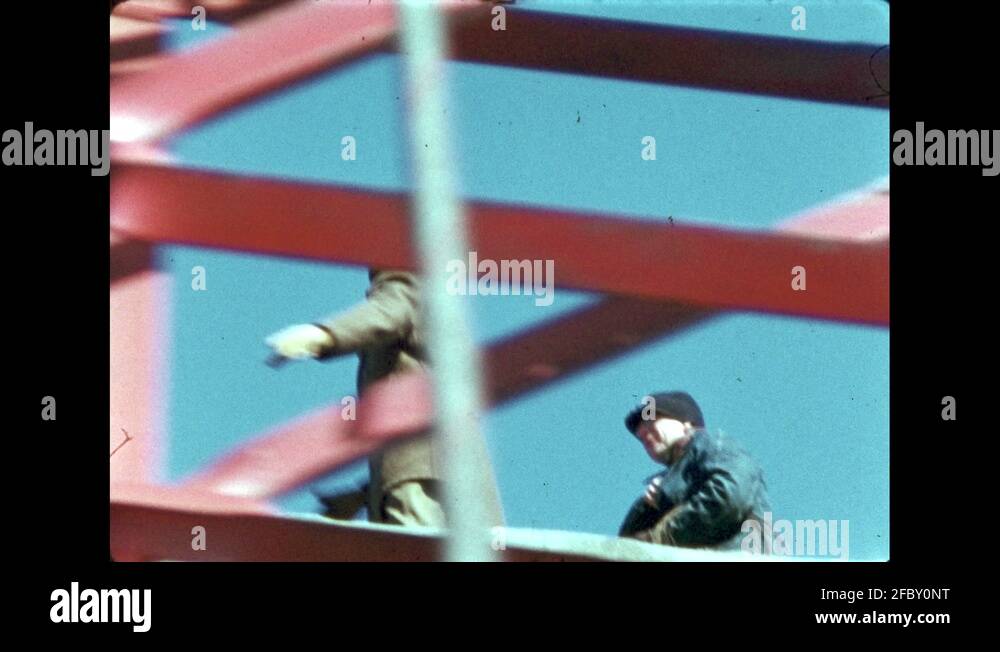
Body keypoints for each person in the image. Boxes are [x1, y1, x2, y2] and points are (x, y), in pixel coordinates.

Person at [265, 268, 503, 528]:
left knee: (415, 549)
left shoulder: (408, 280)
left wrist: (322, 335)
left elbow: (391, 311)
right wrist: (364, 496)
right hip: (441, 474)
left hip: (424, 472)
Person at [618, 391, 772, 552]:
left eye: (651, 420)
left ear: (687, 423)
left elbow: (729, 495)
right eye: (640, 434)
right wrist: (648, 508)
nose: (642, 432)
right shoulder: (663, 487)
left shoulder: (711, 445)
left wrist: (658, 536)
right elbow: (627, 546)